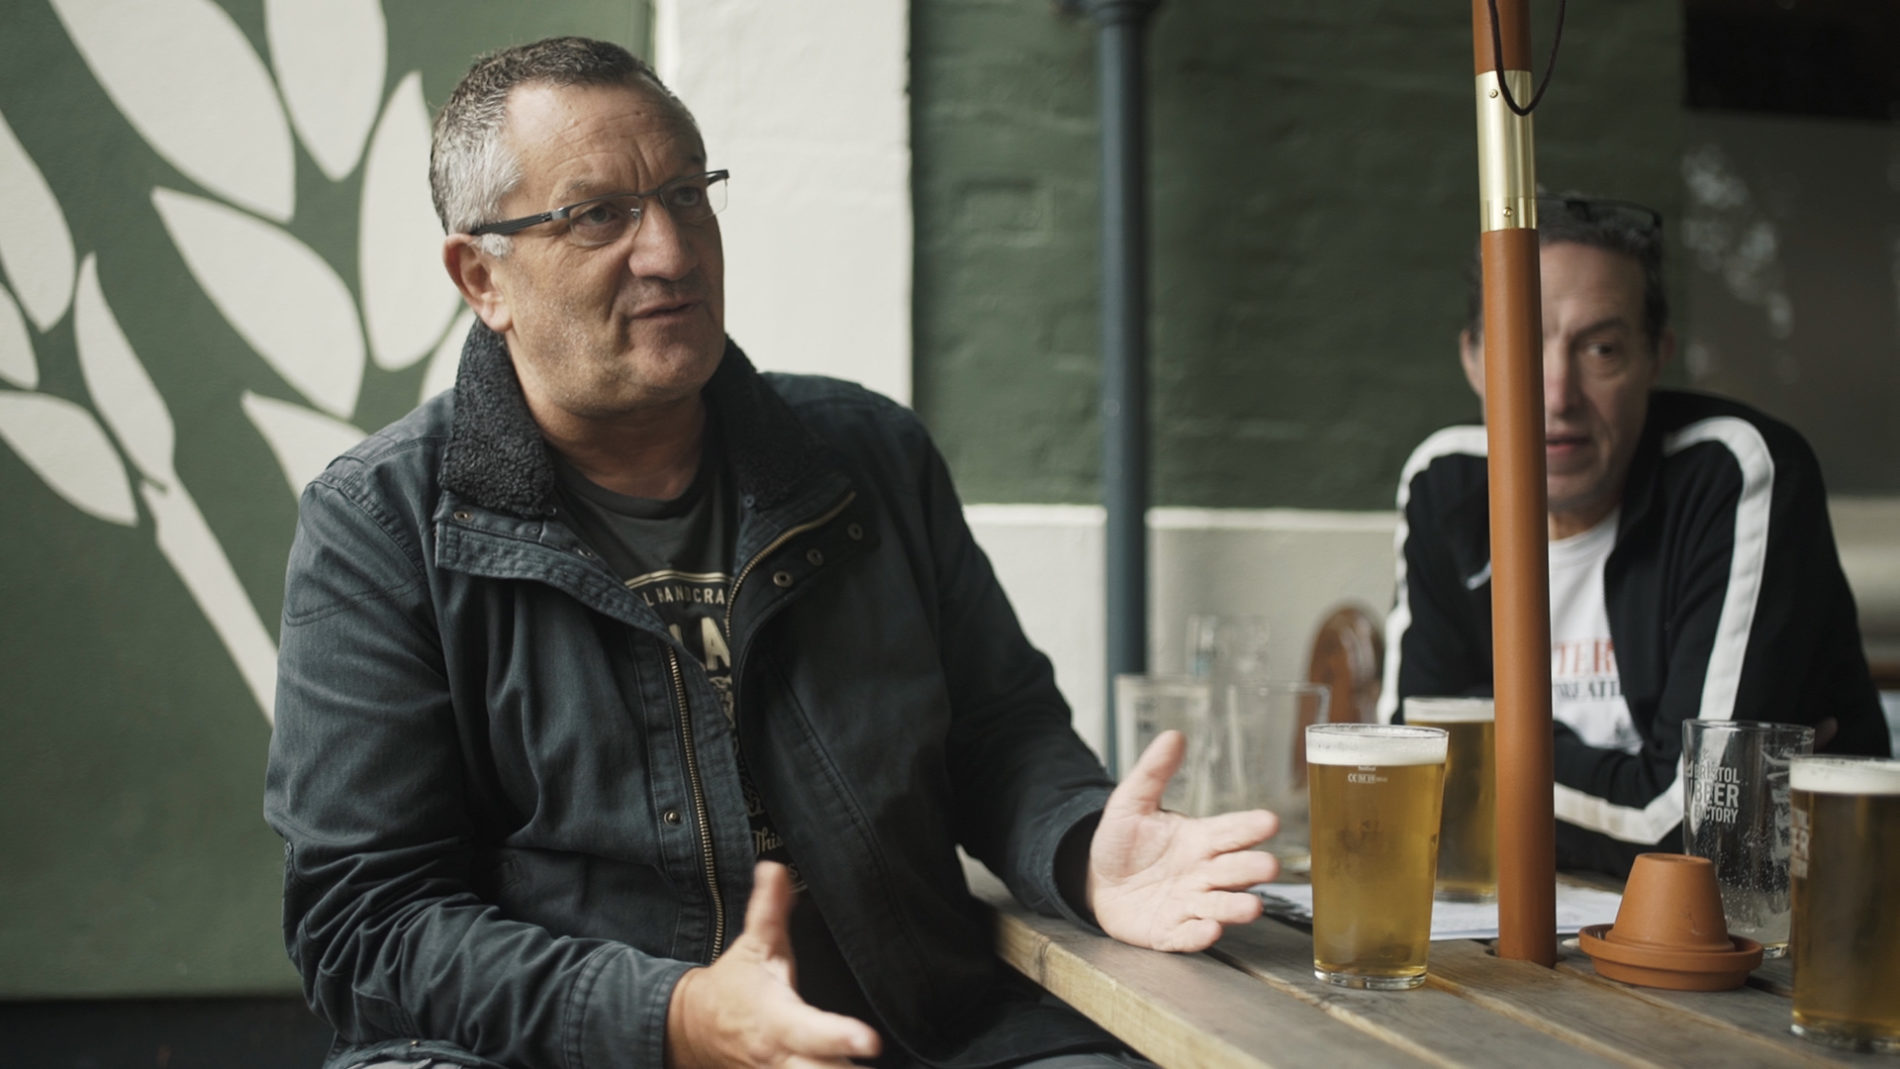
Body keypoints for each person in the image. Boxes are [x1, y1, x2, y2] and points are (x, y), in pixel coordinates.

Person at [264, 36, 1279, 1069]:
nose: (669, 251)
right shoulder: (382, 523)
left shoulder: (868, 458)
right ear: (483, 276)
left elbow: (998, 737)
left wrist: (1081, 848)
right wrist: (674, 1017)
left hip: (904, 1035)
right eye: (599, 214)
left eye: (685, 195)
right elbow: (366, 922)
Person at [1380, 192, 1891, 877]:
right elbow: (1405, 769)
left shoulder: (1732, 472)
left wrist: (1476, 769)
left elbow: (1698, 825)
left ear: (1656, 356)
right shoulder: (1444, 485)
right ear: (1473, 358)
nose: (1556, 394)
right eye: (1519, 342)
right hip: (1539, 911)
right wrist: (1632, 784)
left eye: (1602, 348)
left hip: (1788, 921)